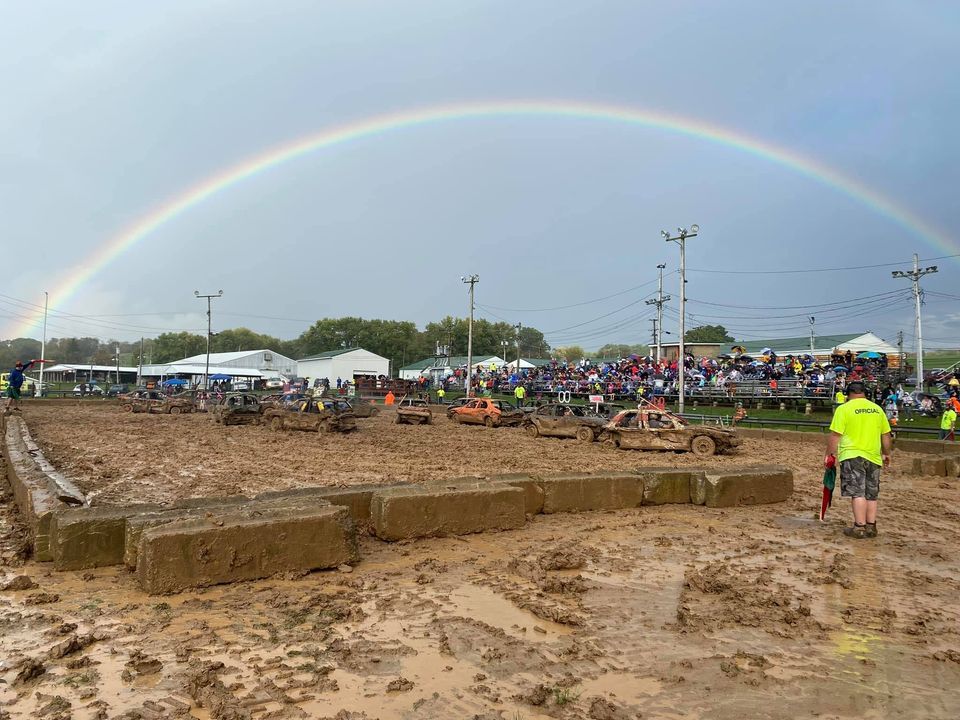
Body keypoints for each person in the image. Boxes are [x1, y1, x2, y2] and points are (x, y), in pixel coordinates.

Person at [825, 381, 892, 539]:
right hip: (874, 456)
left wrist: (830, 455)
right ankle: (871, 526)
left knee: (857, 492)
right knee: (871, 493)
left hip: (852, 454)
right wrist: (887, 453)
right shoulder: (877, 410)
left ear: (848, 394)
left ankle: (859, 527)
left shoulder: (844, 409)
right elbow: (886, 435)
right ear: (865, 393)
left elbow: (835, 435)